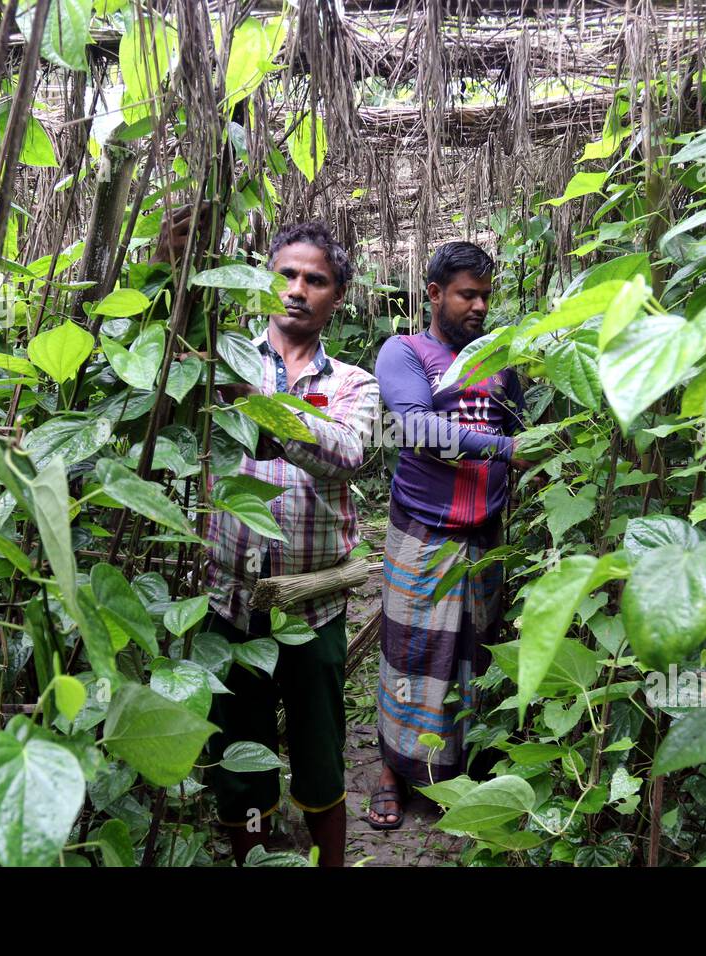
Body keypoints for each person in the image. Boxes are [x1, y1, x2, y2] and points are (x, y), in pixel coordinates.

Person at [162, 217, 379, 866]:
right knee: (242, 764)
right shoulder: (222, 358)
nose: (297, 289)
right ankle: (253, 857)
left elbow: (346, 453)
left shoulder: (352, 384)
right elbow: (164, 392)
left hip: (314, 608)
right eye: (286, 274)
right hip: (230, 605)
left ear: (337, 297)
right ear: (265, 280)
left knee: (320, 761)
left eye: (316, 280)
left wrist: (253, 407)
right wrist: (178, 278)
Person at [368, 241, 536, 830]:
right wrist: (500, 449)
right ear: (435, 293)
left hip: (485, 533)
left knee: (472, 650)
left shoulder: (499, 361)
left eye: (486, 295)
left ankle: (456, 772)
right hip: (423, 529)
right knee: (410, 651)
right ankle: (391, 769)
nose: (479, 306)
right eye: (468, 293)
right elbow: (413, 428)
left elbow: (525, 431)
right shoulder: (406, 351)